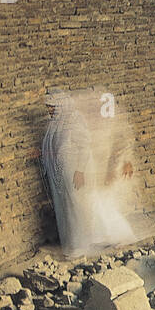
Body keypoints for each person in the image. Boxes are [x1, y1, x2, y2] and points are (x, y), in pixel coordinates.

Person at [41, 88, 136, 257]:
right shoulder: (56, 124)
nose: (49, 110)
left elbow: (84, 146)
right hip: (64, 174)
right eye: (48, 106)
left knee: (81, 207)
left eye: (52, 106)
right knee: (70, 209)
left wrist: (79, 171)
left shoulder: (74, 120)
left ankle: (85, 244)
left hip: (78, 173)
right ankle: (78, 243)